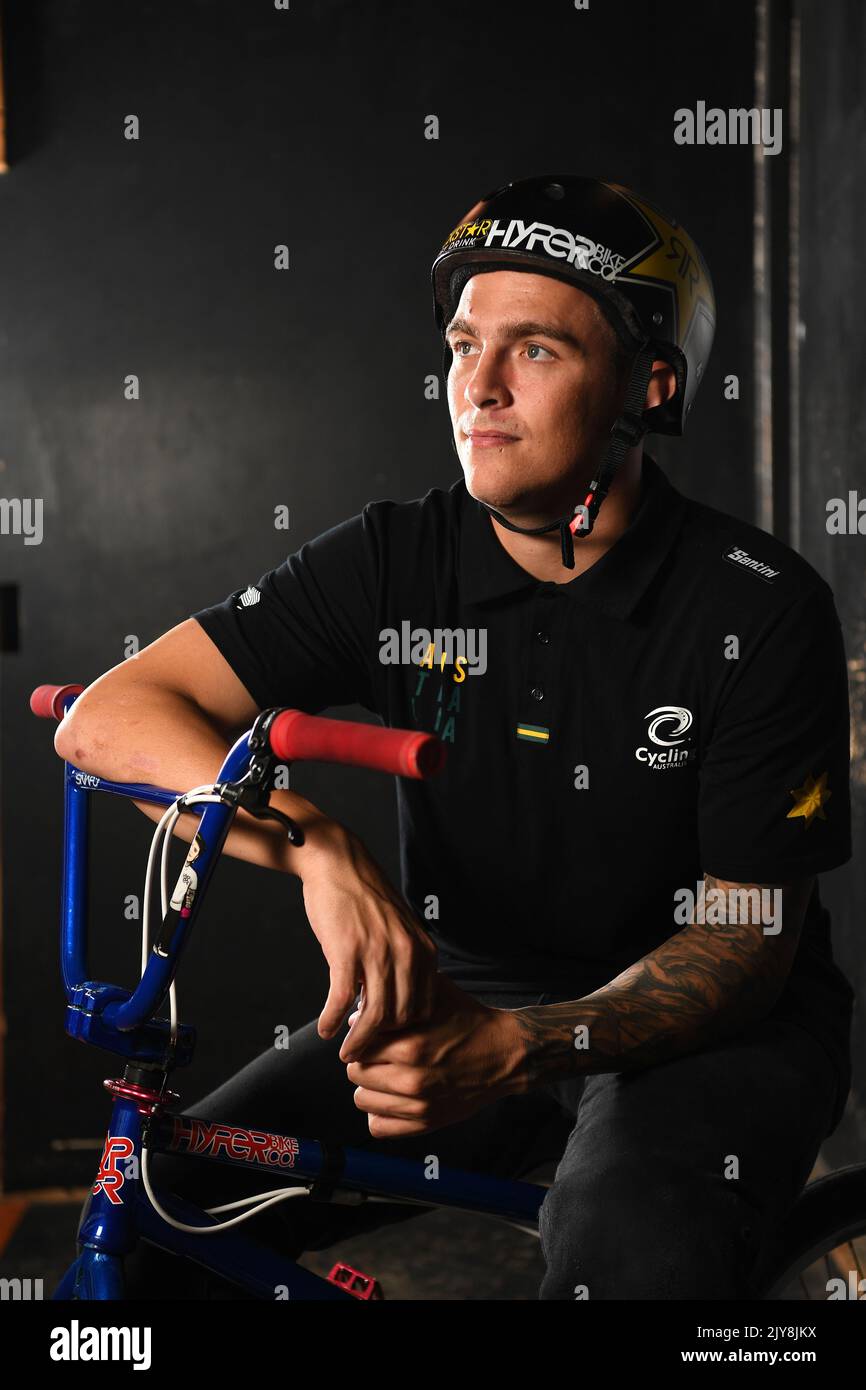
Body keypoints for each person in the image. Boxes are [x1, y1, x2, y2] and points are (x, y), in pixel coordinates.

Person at [57, 174, 855, 1300]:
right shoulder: (395, 559)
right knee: (156, 1222)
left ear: (649, 384)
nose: (478, 387)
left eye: (535, 349)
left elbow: (746, 942)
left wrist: (528, 1044)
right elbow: (109, 717)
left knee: (625, 1254)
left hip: (713, 1033)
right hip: (457, 1003)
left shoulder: (759, 606)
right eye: (464, 345)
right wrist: (317, 851)